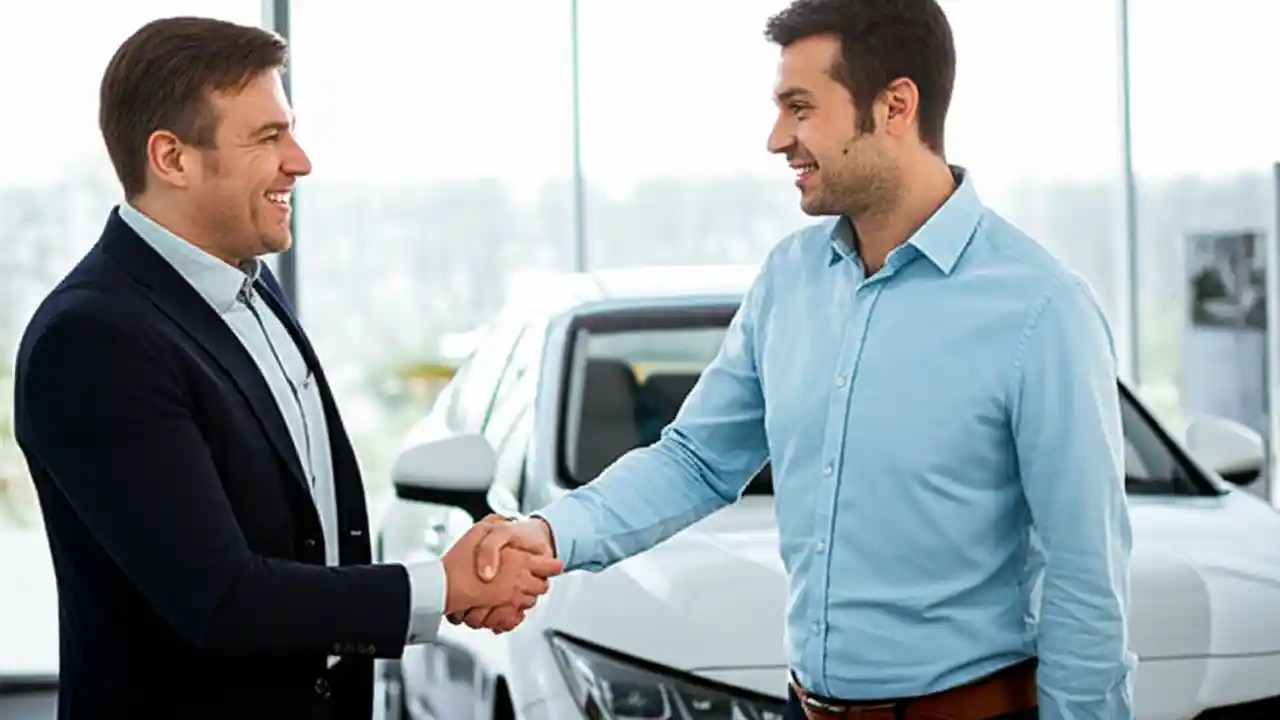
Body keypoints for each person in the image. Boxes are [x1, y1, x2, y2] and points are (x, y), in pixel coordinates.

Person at [463, 1, 1136, 719]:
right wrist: (549, 532)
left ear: (894, 106)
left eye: (800, 107)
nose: (777, 138)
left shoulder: (1041, 309)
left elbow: (1086, 577)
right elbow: (695, 460)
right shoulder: (789, 280)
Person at [11, 16, 560, 720]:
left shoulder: (251, 282)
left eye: (290, 130)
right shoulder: (92, 340)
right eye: (268, 137)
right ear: (172, 158)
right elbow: (220, 599)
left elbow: (308, 534)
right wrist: (443, 587)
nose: (300, 161)